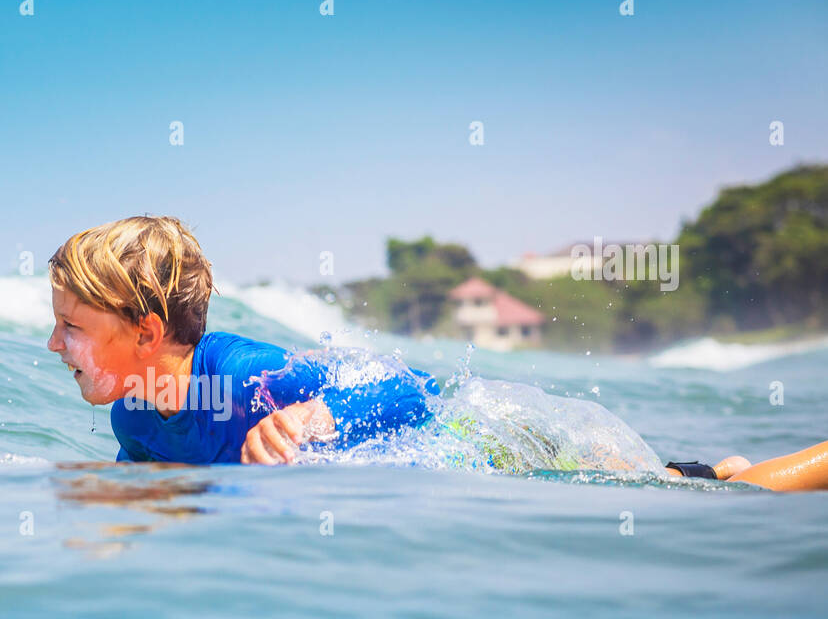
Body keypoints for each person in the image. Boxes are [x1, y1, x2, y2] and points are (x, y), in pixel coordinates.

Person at [46, 215, 828, 492]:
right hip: (432, 459)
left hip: (480, 444)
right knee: (688, 483)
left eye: (72, 325)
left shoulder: (247, 378)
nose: (55, 343)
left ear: (148, 333)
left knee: (692, 501)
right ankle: (716, 465)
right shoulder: (136, 417)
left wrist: (318, 417)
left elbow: (414, 388)